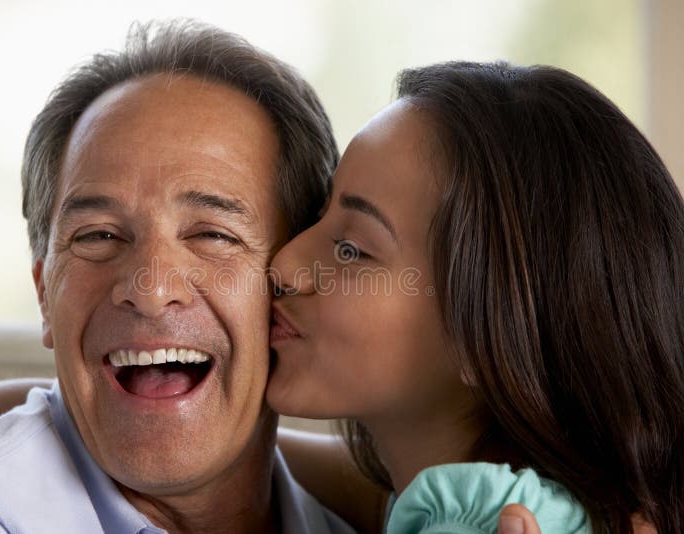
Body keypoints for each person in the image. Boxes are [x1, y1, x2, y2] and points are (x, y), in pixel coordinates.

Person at [0, 20, 539, 534]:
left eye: (214, 234)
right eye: (99, 237)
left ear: (284, 288)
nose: (148, 285)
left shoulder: (397, 517)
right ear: (43, 296)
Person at [266, 62, 683, 532]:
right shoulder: (507, 497)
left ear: (489, 334)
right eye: (317, 216)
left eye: (351, 250)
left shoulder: (483, 522)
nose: (283, 266)